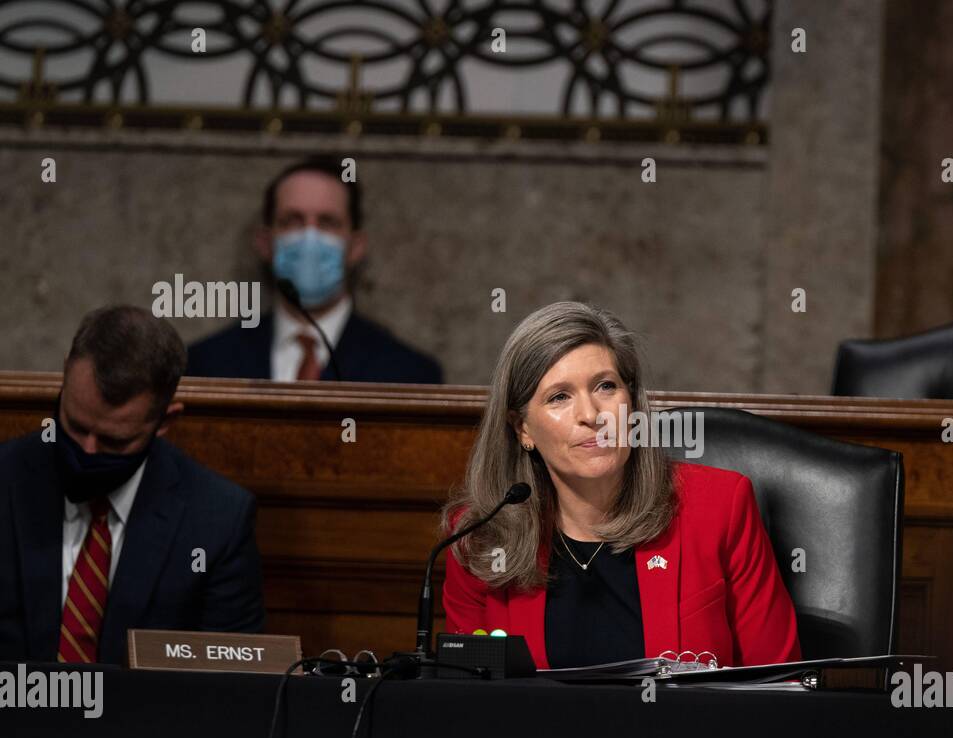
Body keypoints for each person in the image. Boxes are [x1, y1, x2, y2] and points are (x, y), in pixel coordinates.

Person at [441, 301, 800, 668]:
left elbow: (779, 685)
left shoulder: (719, 507)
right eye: (559, 397)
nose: (591, 416)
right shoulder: (481, 538)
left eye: (605, 386)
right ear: (523, 428)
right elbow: (469, 700)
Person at [0, 305, 265, 664]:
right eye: (75, 426)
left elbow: (228, 688)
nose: (87, 451)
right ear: (65, 373)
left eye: (113, 441)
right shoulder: (7, 479)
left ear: (165, 421)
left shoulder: (217, 523)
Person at [185, 155, 443, 384]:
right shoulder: (205, 364)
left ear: (355, 246)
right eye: (292, 221)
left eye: (327, 222)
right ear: (265, 243)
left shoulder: (410, 374)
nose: (309, 237)